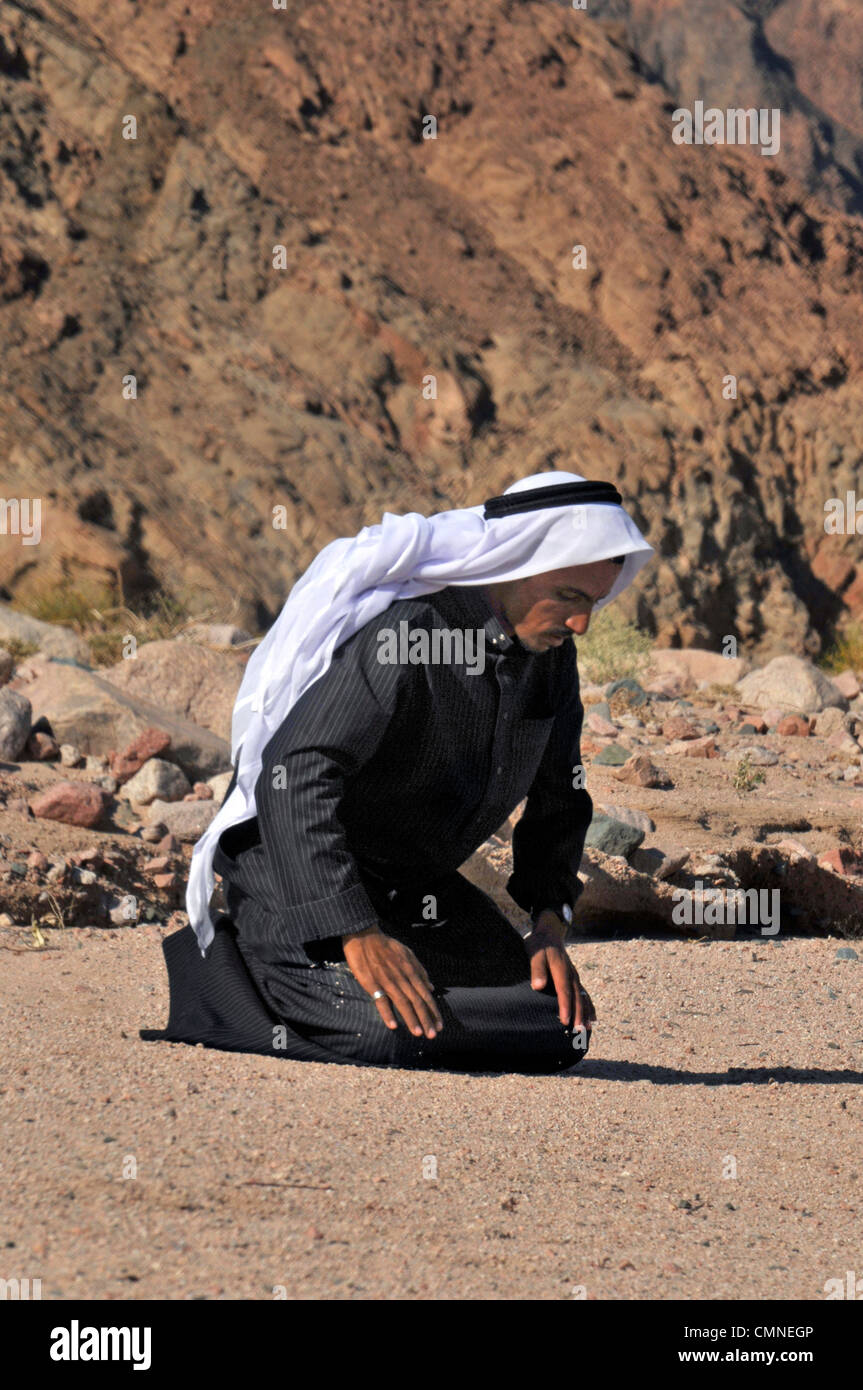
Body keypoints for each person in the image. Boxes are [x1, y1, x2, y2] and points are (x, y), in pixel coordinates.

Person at [143, 471, 653, 1070]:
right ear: (514, 563)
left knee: (558, 1028)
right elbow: (296, 772)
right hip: (296, 877)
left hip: (414, 893)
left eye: (593, 602)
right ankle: (237, 978)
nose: (581, 624)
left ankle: (356, 990)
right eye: (568, 595)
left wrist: (548, 924)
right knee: (382, 1029)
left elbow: (559, 799)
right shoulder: (411, 632)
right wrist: (355, 930)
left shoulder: (550, 664)